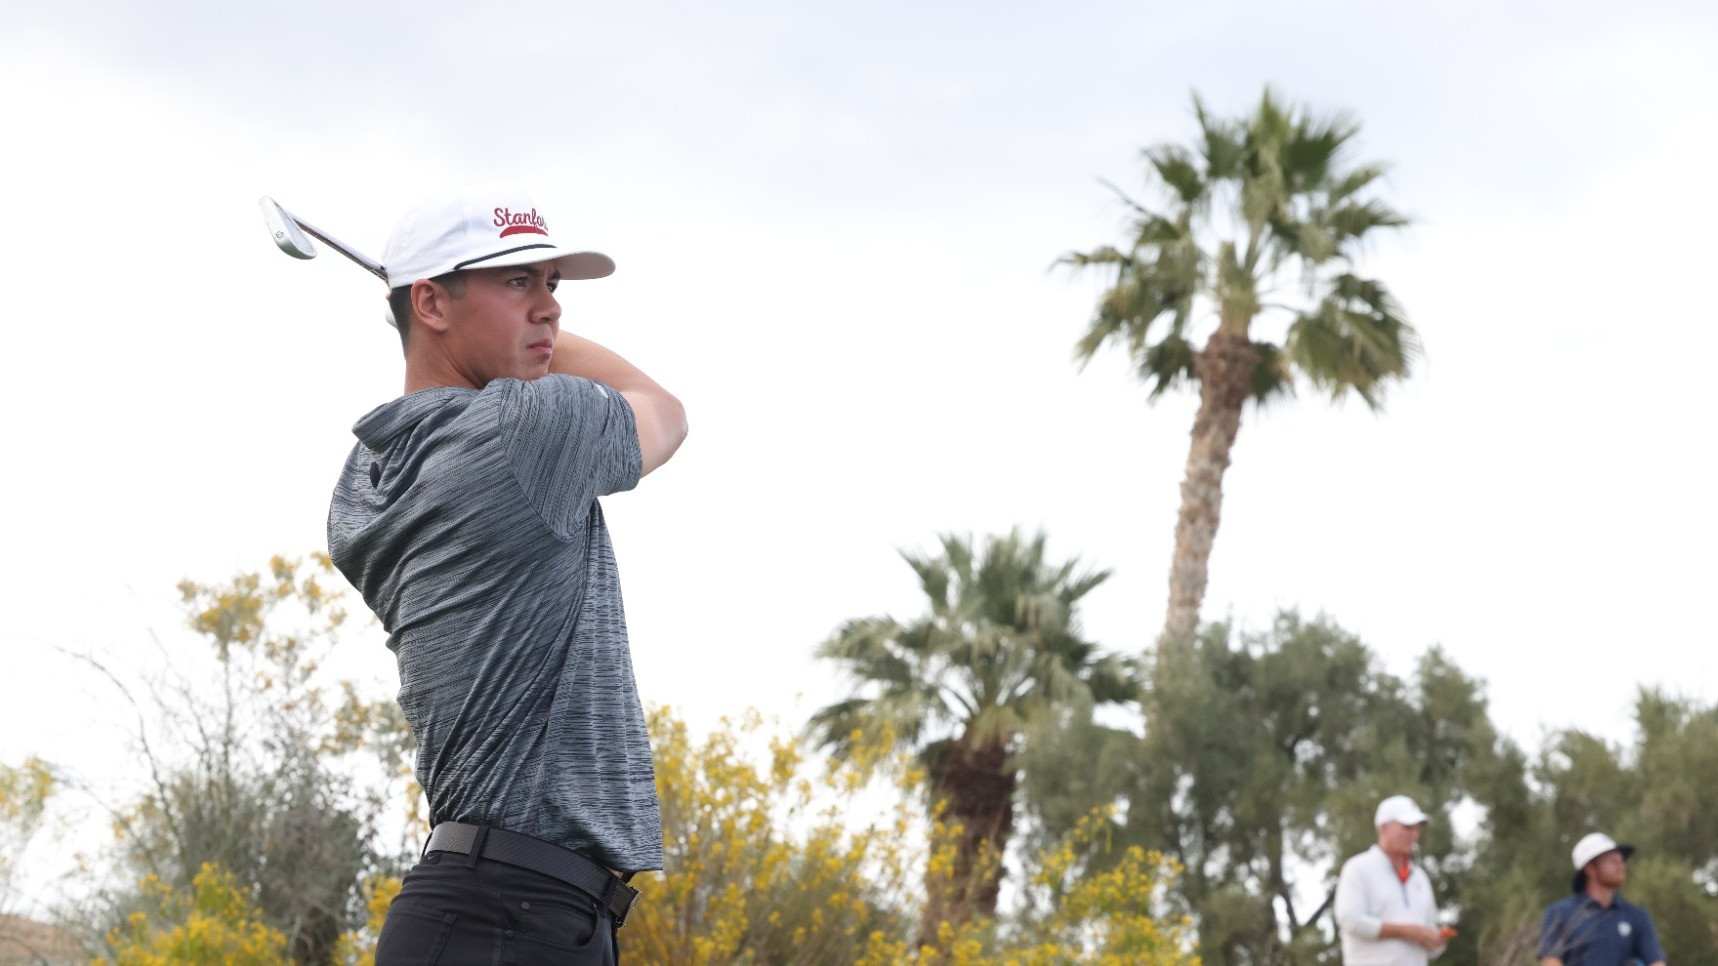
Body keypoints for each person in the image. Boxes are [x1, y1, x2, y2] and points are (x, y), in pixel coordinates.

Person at [327, 184, 688, 965]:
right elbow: (663, 410)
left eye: (553, 285)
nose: (551, 310)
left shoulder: (366, 478)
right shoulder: (524, 430)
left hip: (492, 910)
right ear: (429, 302)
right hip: (511, 920)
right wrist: (523, 343)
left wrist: (475, 323)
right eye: (518, 281)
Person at [1334, 794, 1450, 965]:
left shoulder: (1420, 877)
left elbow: (1429, 932)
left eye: (1417, 828)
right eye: (1407, 827)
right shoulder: (1358, 868)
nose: (1414, 834)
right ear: (1383, 827)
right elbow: (1350, 920)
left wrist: (1435, 941)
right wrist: (1405, 932)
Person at [1538, 832, 1665, 966]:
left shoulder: (1637, 916)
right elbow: (1550, 960)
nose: (1620, 866)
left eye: (1621, 861)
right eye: (1613, 861)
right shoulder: (1560, 913)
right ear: (1590, 869)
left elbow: (1656, 962)